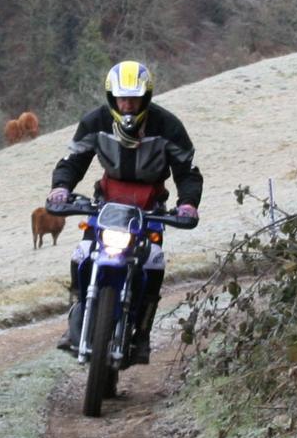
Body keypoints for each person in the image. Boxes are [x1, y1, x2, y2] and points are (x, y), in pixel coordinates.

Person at [47, 60, 203, 363]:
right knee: (81, 253)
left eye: (133, 99)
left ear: (146, 97)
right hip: (106, 205)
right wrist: (61, 187)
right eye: (122, 99)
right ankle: (77, 315)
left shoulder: (168, 126)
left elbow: (187, 171)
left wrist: (188, 203)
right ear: (112, 98)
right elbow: (73, 160)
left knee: (154, 262)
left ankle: (142, 332)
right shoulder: (95, 122)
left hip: (149, 208)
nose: (127, 105)